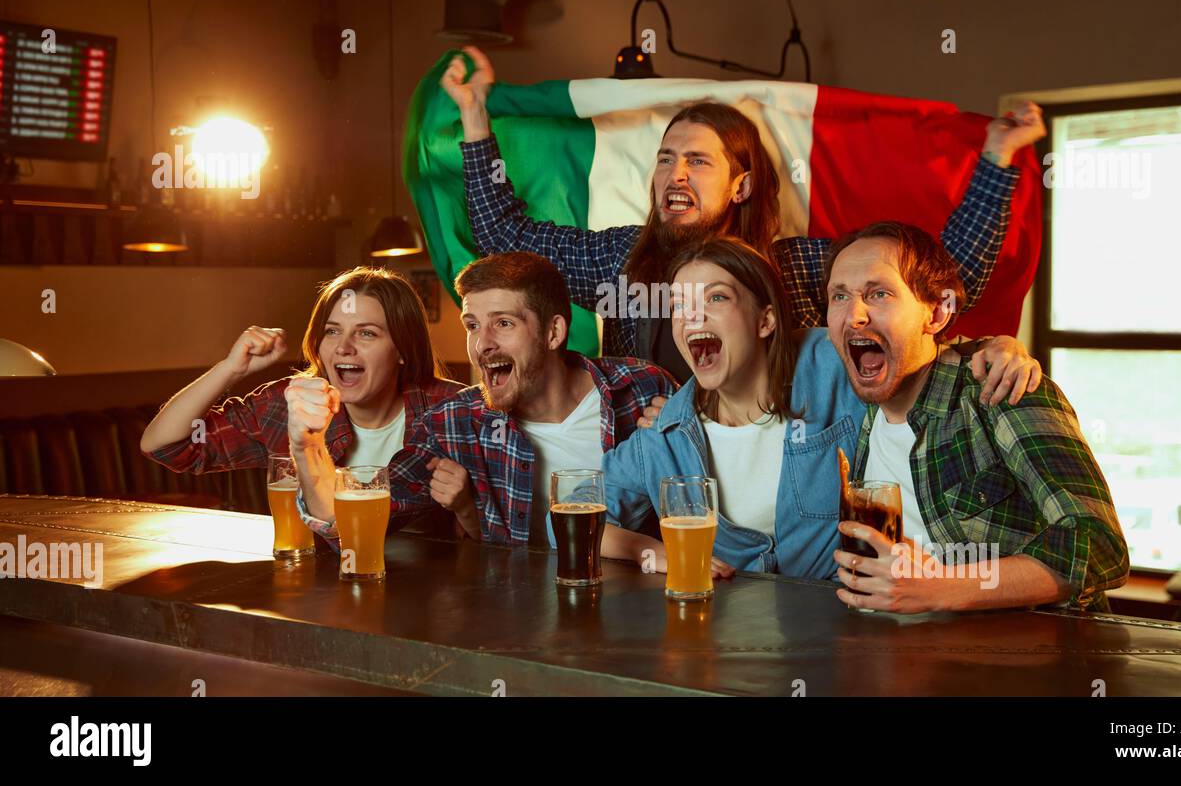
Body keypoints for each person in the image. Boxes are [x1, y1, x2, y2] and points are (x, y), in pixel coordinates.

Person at [439, 46, 1045, 383]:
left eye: (698, 162)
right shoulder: (618, 259)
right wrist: (474, 116)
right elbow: (504, 238)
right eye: (666, 159)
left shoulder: (799, 267)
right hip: (648, 492)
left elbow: (944, 277)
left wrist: (995, 160)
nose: (675, 175)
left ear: (740, 185)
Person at [598, 237, 1042, 579]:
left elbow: (912, 352)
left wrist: (992, 347)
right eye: (679, 306)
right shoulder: (667, 432)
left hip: (849, 627)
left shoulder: (827, 362)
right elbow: (573, 511)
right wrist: (653, 553)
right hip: (730, 643)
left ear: (766, 319)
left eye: (716, 298)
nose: (692, 319)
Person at [820, 222, 1129, 611]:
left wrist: (939, 587)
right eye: (840, 296)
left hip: (1022, 657)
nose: (855, 315)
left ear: (935, 314)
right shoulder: (861, 398)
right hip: (897, 654)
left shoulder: (1000, 389)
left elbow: (1100, 546)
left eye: (879, 293)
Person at [357, 251, 677, 544]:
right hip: (519, 605)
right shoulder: (455, 421)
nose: (482, 344)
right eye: (472, 326)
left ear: (553, 333)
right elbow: (367, 514)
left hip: (637, 599)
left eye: (504, 323)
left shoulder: (643, 388)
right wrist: (307, 446)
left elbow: (703, 495)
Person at [141, 266, 464, 535]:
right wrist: (229, 369)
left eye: (366, 333)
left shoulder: (449, 409)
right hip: (313, 599)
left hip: (425, 600)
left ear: (403, 350)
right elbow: (164, 445)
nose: (344, 347)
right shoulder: (291, 403)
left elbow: (351, 530)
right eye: (332, 331)